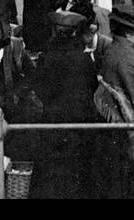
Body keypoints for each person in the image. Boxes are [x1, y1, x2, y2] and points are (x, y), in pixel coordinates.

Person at [30, 10, 98, 200]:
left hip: (53, 120)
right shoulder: (83, 59)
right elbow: (93, 87)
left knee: (50, 170)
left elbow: (39, 87)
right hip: (79, 122)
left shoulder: (47, 57)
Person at [94, 4, 134, 199]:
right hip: (125, 132)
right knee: (126, 182)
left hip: (112, 126)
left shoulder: (114, 49)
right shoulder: (129, 58)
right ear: (133, 33)